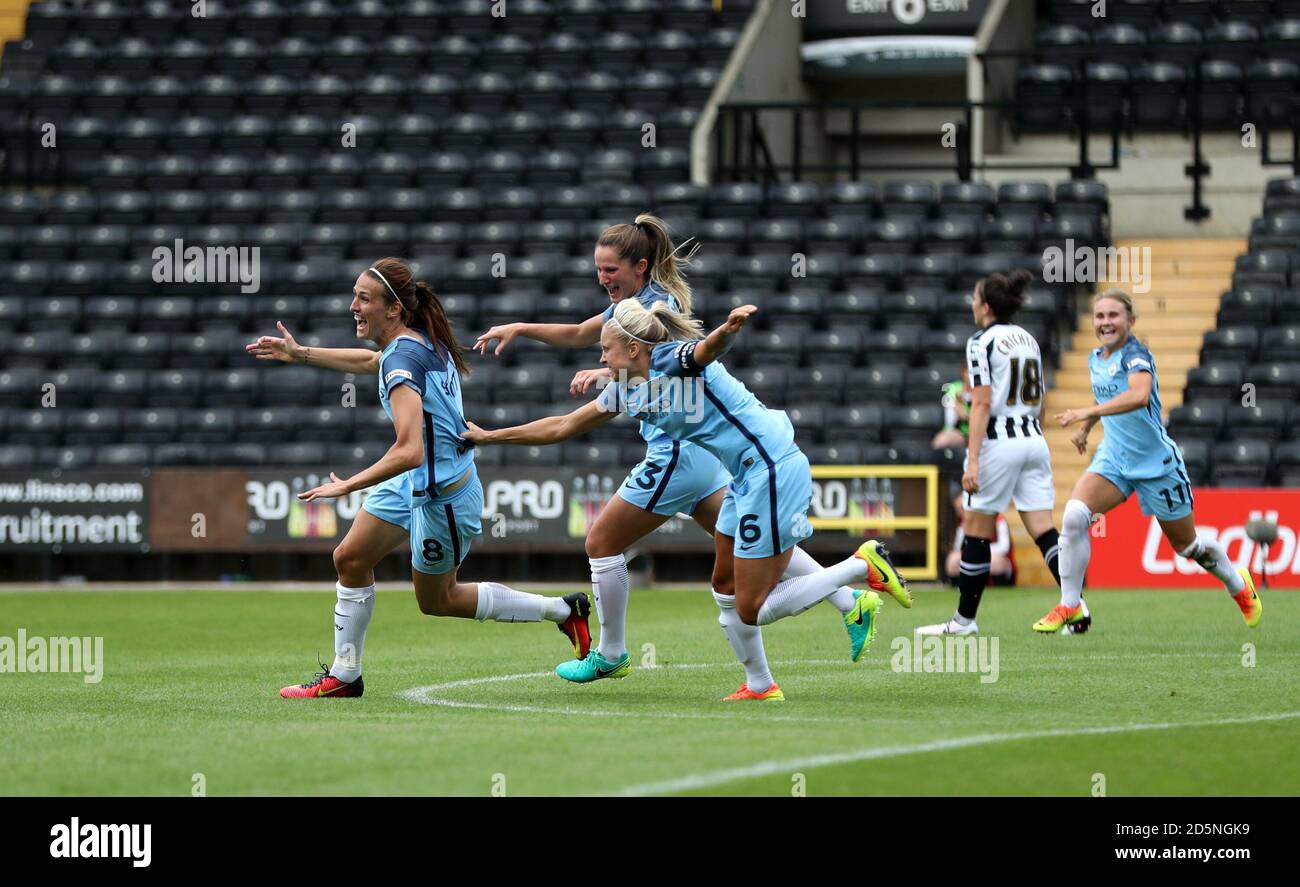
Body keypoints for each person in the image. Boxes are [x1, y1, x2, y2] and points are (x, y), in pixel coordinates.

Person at [473, 215, 869, 682]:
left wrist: (724, 332)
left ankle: (613, 651)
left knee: (602, 542)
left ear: (639, 267)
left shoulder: (650, 313)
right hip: (720, 456)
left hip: (681, 451)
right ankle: (843, 606)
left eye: (610, 271)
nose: (603, 280)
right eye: (598, 270)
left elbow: (688, 356)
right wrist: (523, 335)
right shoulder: (632, 326)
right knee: (741, 555)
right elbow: (581, 379)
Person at [247, 258, 591, 698]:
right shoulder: (414, 342)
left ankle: (562, 610)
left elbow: (410, 450)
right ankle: (345, 676)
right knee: (350, 558)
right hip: (419, 482)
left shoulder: (403, 358)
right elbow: (374, 363)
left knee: (438, 601)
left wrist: (349, 484)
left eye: (363, 298)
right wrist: (302, 354)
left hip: (441, 497)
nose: (353, 305)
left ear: (393, 310)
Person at [1053, 288, 1262, 631]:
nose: (1106, 322)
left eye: (1113, 315)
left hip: (1156, 466)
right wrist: (1088, 427)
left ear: (1130, 321)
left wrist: (1087, 412)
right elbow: (1108, 393)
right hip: (1115, 460)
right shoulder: (1096, 358)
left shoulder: (1137, 354)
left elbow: (1136, 395)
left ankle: (1238, 585)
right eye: (1100, 316)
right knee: (1075, 516)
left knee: (1188, 546)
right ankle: (1070, 605)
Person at [917, 271, 1072, 636]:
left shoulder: (980, 342)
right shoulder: (1028, 339)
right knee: (1044, 529)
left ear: (985, 306)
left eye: (974, 297)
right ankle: (1075, 608)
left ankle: (964, 621)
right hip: (1034, 439)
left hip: (1000, 443)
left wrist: (972, 460)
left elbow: (982, 402)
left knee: (976, 528)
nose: (972, 303)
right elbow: (1042, 400)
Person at [946, 493, 1014, 586]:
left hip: (998, 559)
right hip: (974, 556)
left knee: (994, 561)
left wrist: (979, 551)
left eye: (963, 508)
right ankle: (959, 589)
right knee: (953, 559)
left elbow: (1004, 547)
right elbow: (958, 548)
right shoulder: (964, 524)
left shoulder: (999, 520)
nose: (960, 512)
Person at [931, 365, 972, 449]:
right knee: (940, 441)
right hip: (959, 432)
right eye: (969, 372)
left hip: (979, 433)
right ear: (963, 373)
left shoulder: (982, 390)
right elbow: (958, 414)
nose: (971, 376)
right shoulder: (954, 387)